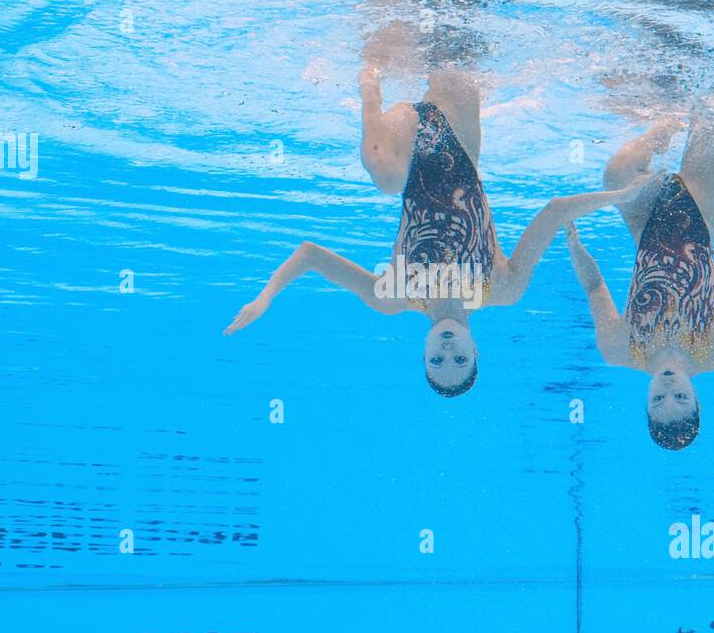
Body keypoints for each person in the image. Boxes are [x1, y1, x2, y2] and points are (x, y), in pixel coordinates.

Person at [224, 65, 647, 398]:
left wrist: (266, 296)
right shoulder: (502, 289)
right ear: (475, 351)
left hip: (404, 145)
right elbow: (553, 212)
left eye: (436, 361)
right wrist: (620, 194)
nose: (447, 350)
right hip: (459, 131)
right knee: (451, 34)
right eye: (459, 358)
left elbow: (310, 255)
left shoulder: (392, 296)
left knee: (389, 177)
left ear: (422, 356)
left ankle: (370, 82)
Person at [565, 113, 714, 448]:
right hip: (698, 215)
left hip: (644, 224)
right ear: (698, 401)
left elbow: (593, 288)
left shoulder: (618, 350)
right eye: (681, 399)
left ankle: (666, 118)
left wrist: (575, 246)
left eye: (658, 401)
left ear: (645, 403)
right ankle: (679, 106)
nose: (668, 389)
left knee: (617, 174)